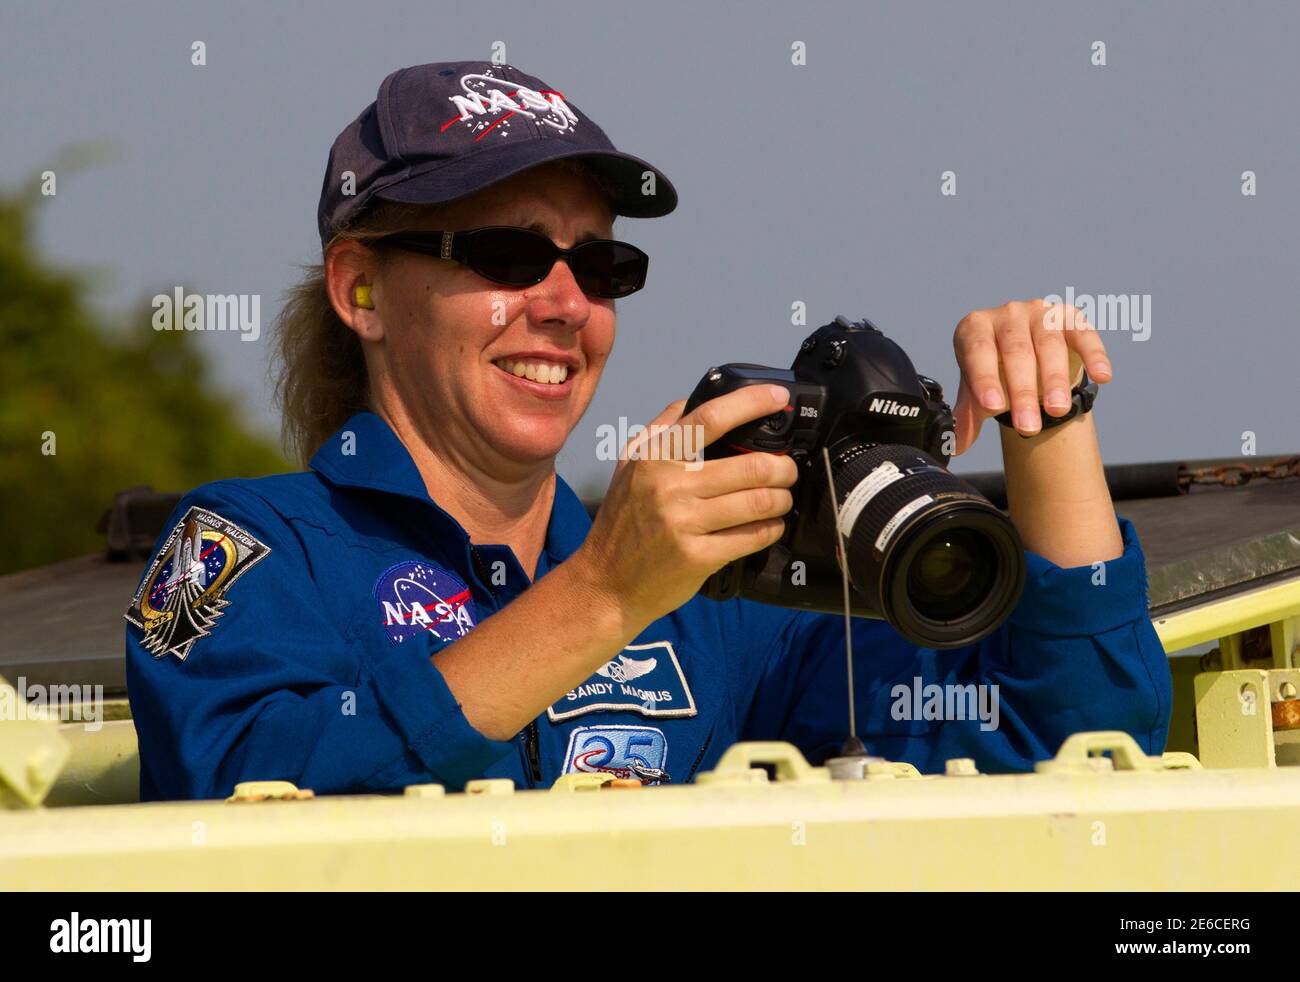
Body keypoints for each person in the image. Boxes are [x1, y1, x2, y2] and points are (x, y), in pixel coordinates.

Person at [124, 61, 1171, 800]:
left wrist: (1046, 422)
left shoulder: (703, 595)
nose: (563, 302)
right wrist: (601, 595)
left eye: (600, 266)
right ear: (360, 290)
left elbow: (1067, 750)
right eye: (506, 254)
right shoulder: (248, 549)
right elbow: (246, 793)